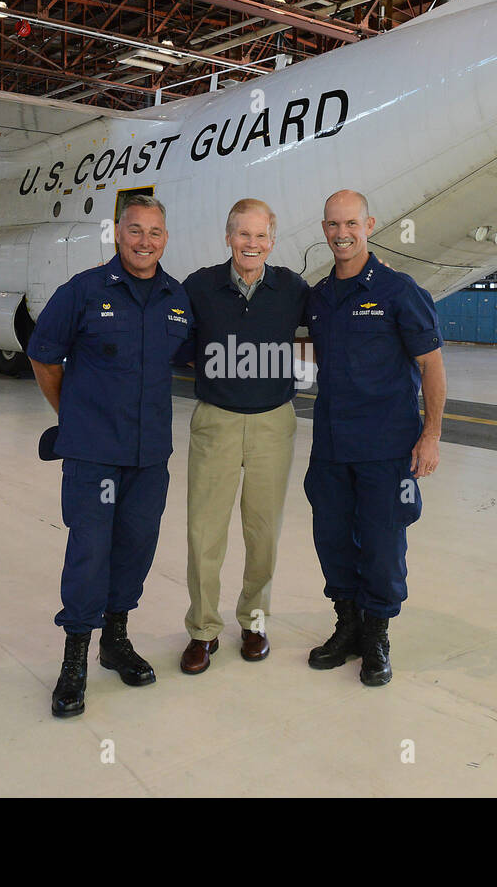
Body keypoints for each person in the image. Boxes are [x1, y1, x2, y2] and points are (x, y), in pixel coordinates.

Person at [26, 194, 194, 718]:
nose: (145, 241)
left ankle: (115, 640)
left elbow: (187, 355)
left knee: (135, 548)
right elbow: (43, 354)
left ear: (166, 239)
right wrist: (72, 414)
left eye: (155, 233)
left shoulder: (176, 298)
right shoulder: (82, 291)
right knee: (89, 551)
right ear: (118, 234)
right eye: (136, 230)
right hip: (94, 454)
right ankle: (74, 657)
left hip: (149, 457)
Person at [302, 189, 446, 686]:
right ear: (324, 229)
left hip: (387, 448)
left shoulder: (398, 290)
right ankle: (348, 627)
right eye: (333, 225)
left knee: (384, 544)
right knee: (333, 539)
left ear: (369, 225)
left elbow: (431, 366)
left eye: (351, 224)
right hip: (332, 446)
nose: (342, 234)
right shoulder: (318, 297)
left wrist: (431, 435)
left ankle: (377, 635)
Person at [178, 198, 309, 674]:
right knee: (204, 530)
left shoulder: (293, 289)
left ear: (272, 241)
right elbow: (176, 342)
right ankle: (203, 630)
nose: (252, 244)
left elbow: (326, 333)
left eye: (260, 236)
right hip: (216, 420)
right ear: (228, 236)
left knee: (263, 531)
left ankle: (254, 622)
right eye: (243, 234)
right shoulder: (199, 287)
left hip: (274, 421)